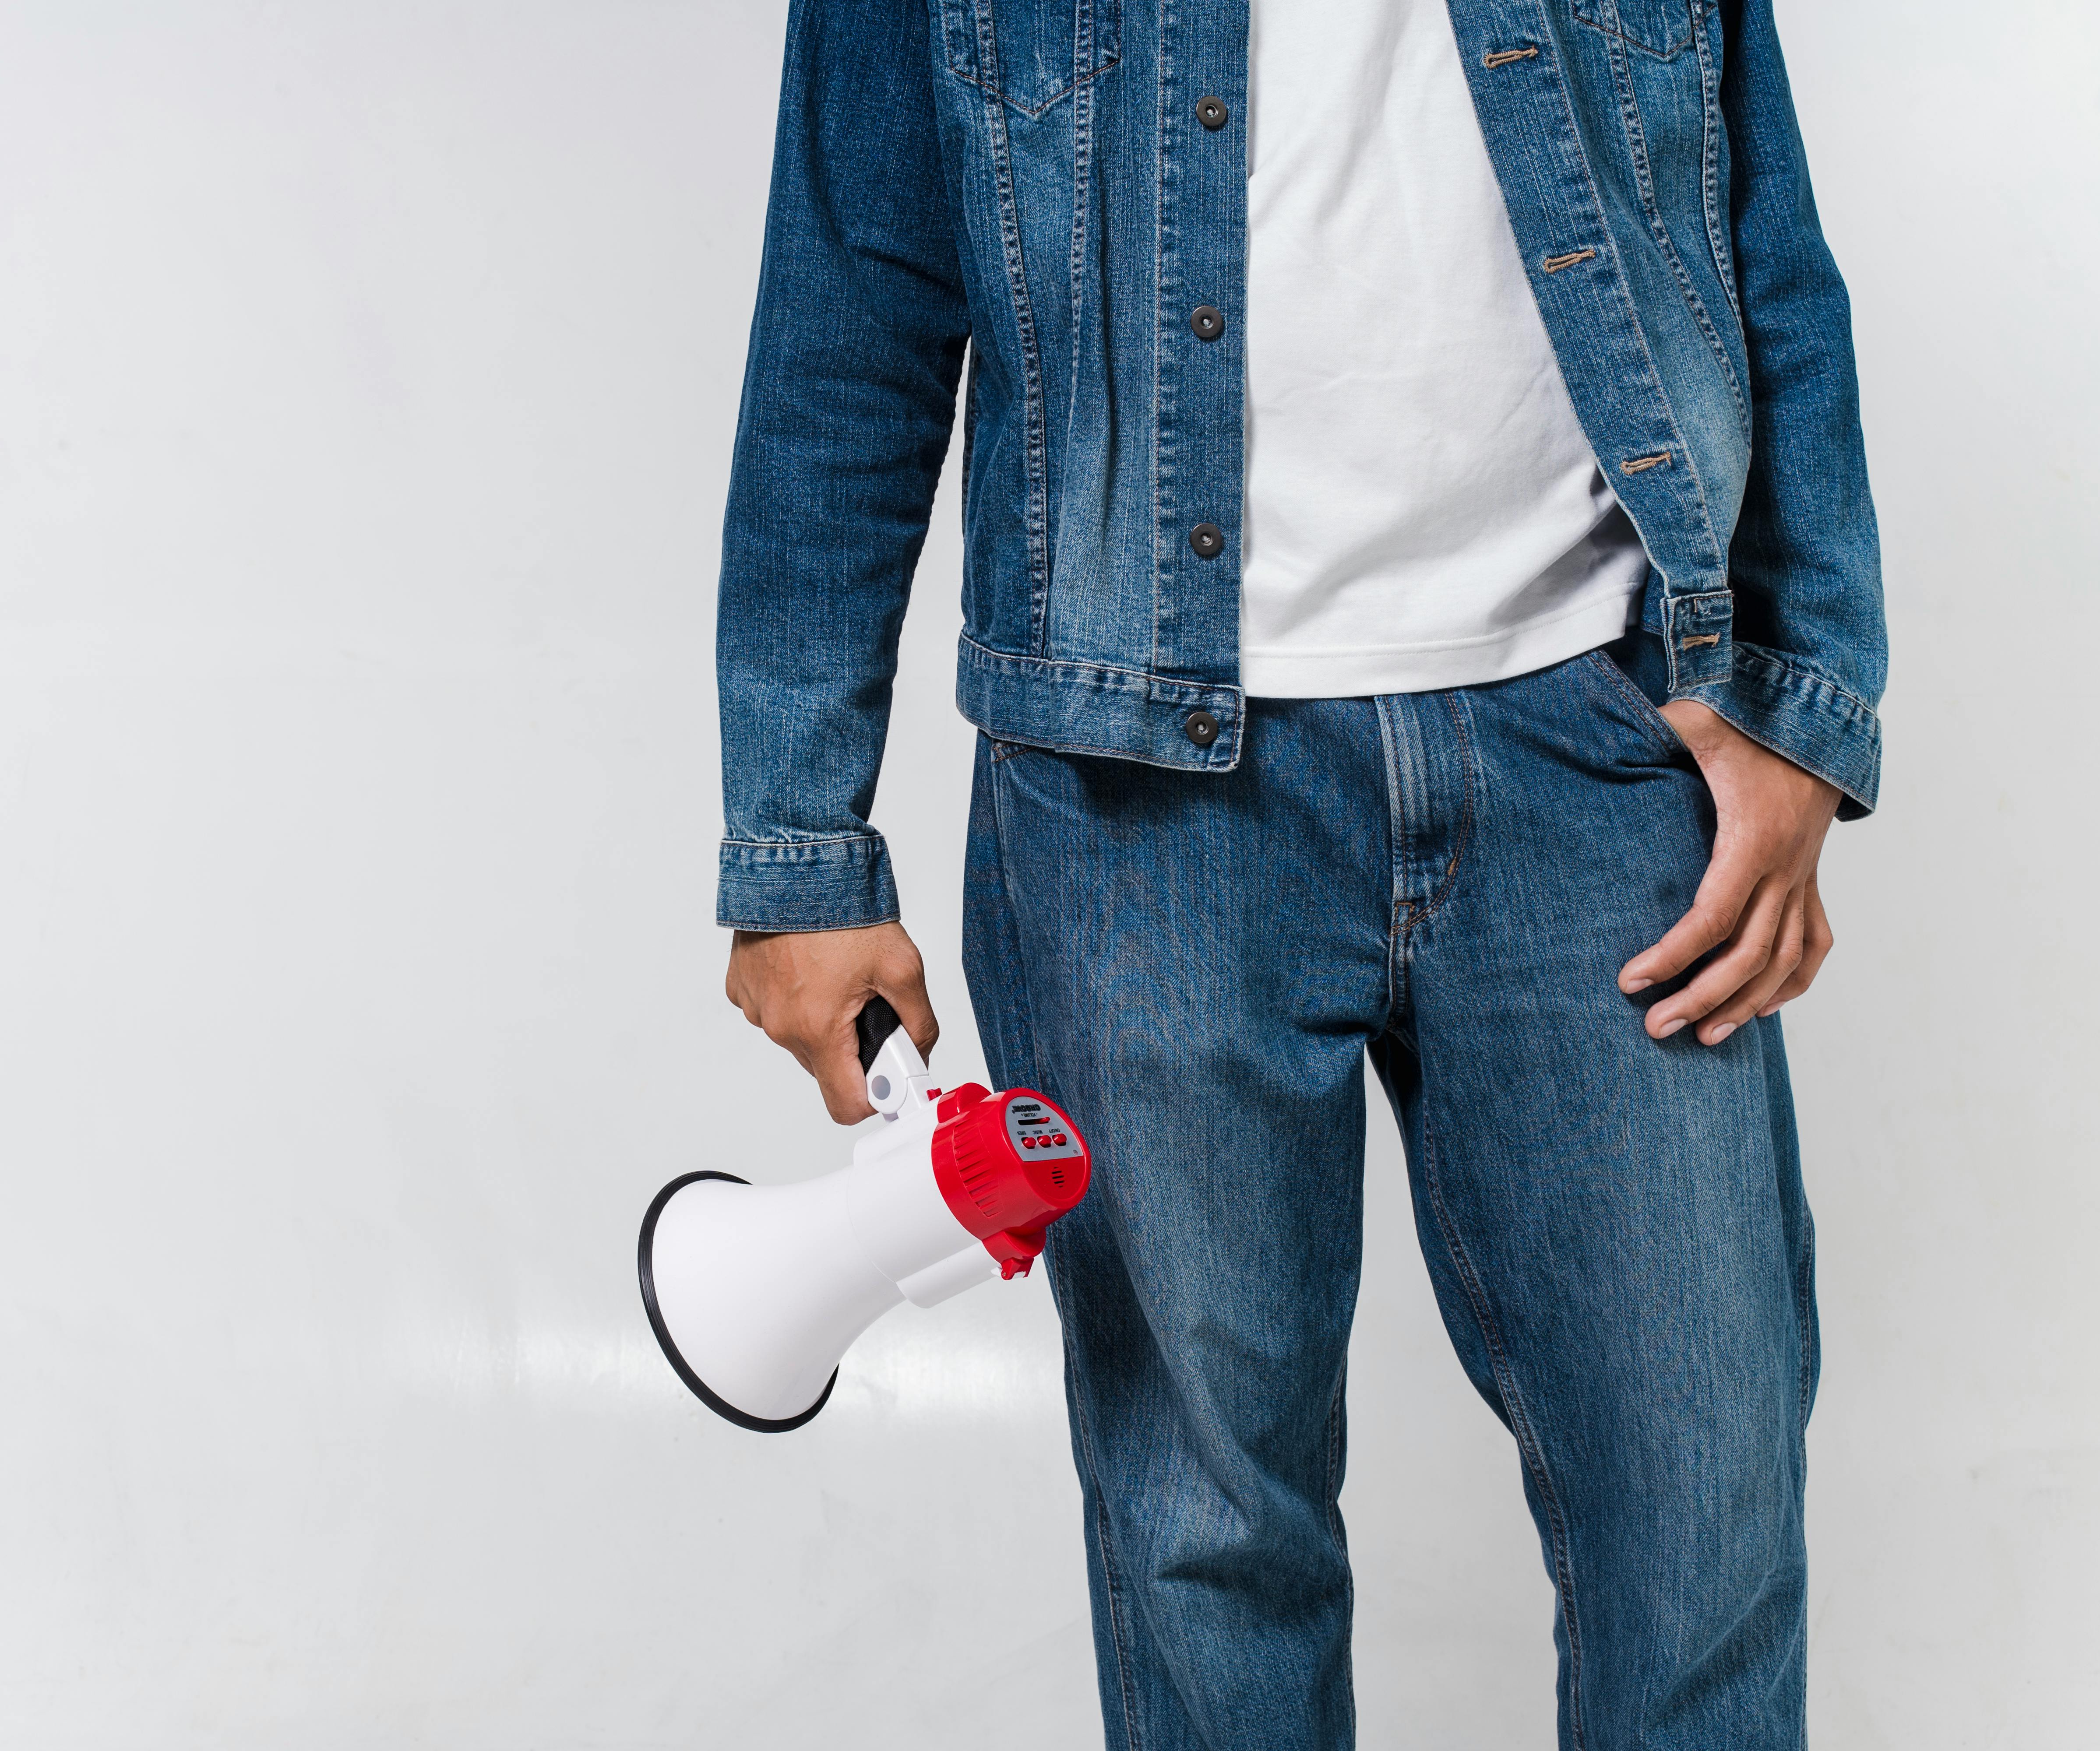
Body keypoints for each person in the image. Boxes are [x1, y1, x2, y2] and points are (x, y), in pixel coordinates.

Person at [714, 0, 1883, 1744]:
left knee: (1703, 1507)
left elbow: (1754, 219)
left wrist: (1799, 692)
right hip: (1136, 792)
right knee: (1207, 1541)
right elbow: (850, 308)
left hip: (1596, 742)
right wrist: (800, 846)